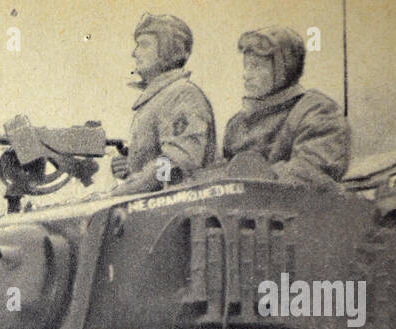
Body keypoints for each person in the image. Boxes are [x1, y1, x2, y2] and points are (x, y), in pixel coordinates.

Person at [220, 27, 351, 186]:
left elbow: (312, 172)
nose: (246, 75)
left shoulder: (317, 112)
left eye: (256, 66)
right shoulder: (237, 124)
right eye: (246, 66)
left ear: (284, 68)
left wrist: (254, 178)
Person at [110, 14, 217, 196]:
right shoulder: (161, 96)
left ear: (168, 49)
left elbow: (179, 163)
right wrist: (131, 167)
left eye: (144, 45)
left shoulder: (182, 95)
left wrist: (129, 188)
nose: (134, 53)